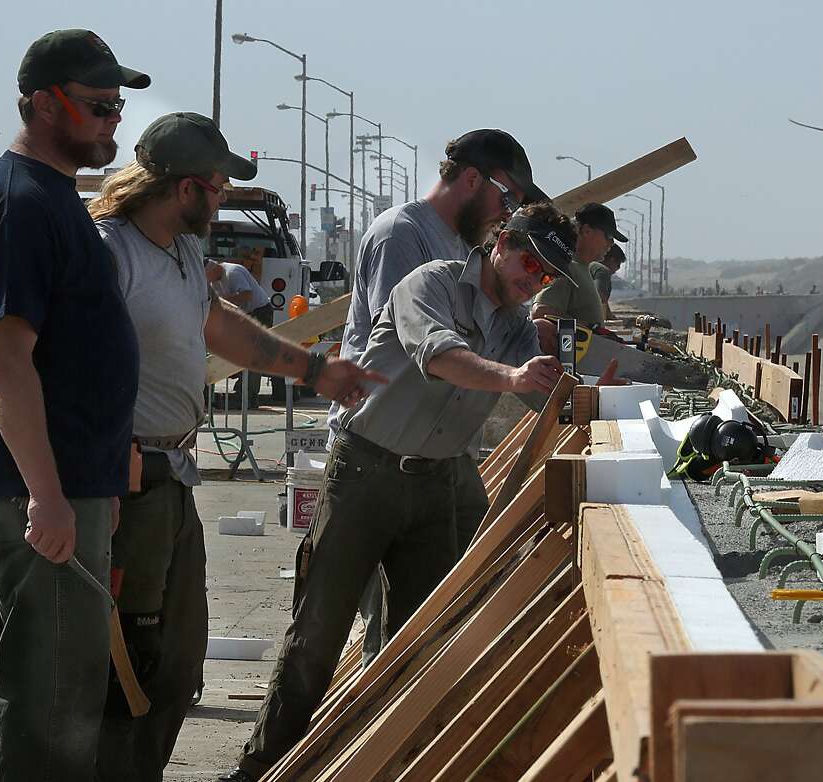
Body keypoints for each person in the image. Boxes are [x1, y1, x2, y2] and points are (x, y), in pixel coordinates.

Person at [219, 202, 578, 782]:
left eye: (546, 276)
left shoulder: (515, 325)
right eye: (530, 263)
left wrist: (577, 390)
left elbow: (542, 395)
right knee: (318, 630)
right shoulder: (430, 283)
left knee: (422, 639)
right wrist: (513, 376)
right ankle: (260, 767)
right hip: (366, 472)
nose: (533, 280)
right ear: (501, 242)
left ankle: (390, 765)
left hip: (436, 482)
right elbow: (438, 356)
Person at [84, 112, 383, 782]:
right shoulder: (109, 252)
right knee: (128, 661)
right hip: (124, 479)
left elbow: (220, 325)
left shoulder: (181, 253)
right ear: (185, 188)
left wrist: (314, 371)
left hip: (169, 476)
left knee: (179, 661)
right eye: (217, 187)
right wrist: (96, 470)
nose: (221, 199)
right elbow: (66, 367)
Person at [0, 29, 148, 782]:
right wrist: (48, 495)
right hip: (35, 493)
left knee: (30, 689)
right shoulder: (20, 204)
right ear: (43, 102)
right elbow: (5, 360)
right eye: (98, 107)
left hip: (61, 485)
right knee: (54, 703)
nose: (112, 122)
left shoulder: (53, 198)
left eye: (117, 107)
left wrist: (97, 477)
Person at [329, 128, 548, 664]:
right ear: (472, 179)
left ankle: (404, 693)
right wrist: (510, 374)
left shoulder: (464, 246)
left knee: (456, 586)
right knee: (363, 614)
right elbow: (420, 352)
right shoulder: (403, 236)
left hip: (435, 448)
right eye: (508, 198)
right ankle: (374, 705)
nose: (507, 212)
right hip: (380, 445)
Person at [531, 202, 626, 339]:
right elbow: (540, 312)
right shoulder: (567, 268)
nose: (611, 243)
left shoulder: (582, 268)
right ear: (586, 231)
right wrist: (591, 328)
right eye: (609, 236)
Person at [205, 259, 276, 405]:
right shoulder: (213, 281)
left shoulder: (233, 272)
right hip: (244, 313)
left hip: (260, 312)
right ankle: (217, 392)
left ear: (214, 269)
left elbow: (246, 295)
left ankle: (247, 396)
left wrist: (222, 300)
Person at [590, 242, 625, 320]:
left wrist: (609, 314)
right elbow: (600, 297)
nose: (618, 269)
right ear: (612, 260)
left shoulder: (589, 265)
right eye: (618, 265)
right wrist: (608, 316)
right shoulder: (602, 270)